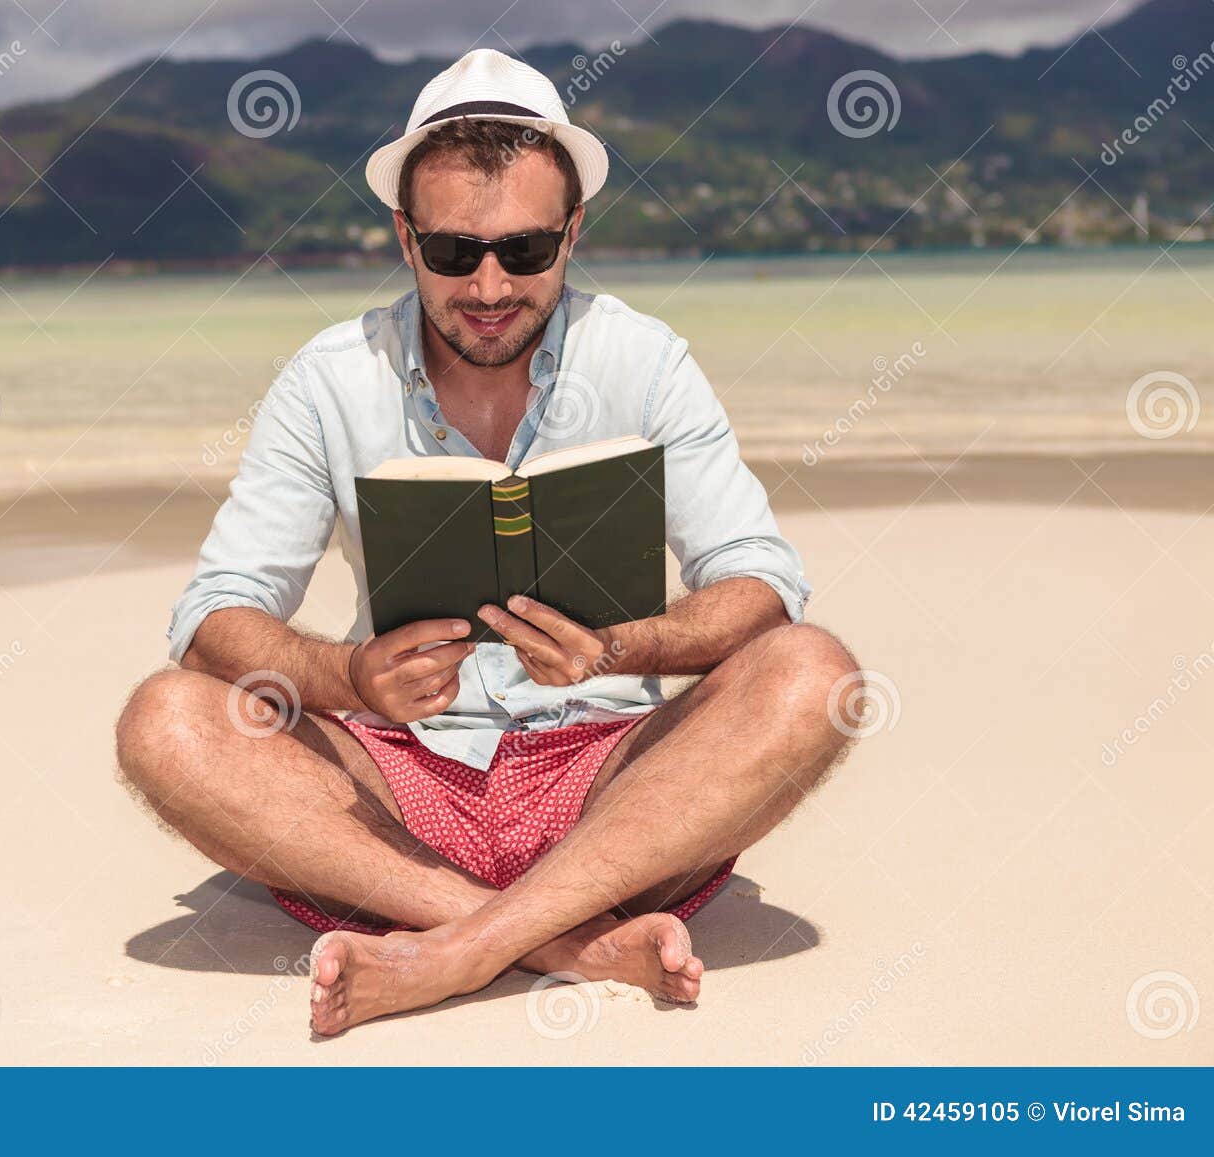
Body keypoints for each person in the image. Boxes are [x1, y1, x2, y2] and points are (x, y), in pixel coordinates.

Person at [116, 48, 862, 1036]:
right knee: (166, 718)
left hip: (610, 781)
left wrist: (618, 648)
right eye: (453, 252)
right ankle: (562, 941)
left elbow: (759, 583)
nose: (490, 283)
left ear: (573, 231)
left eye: (526, 249)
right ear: (403, 235)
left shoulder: (643, 359)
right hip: (398, 778)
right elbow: (215, 612)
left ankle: (454, 949)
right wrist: (350, 676)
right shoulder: (330, 376)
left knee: (813, 672)